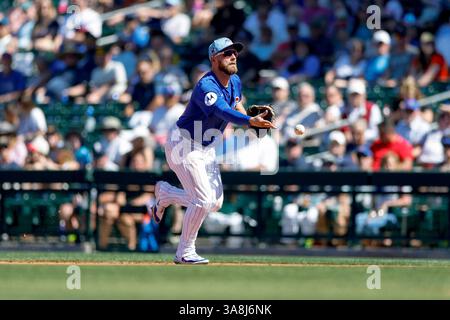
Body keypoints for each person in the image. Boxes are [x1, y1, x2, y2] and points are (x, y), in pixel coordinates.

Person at [147, 37, 275, 264]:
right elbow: (223, 111)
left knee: (214, 203)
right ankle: (184, 252)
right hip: (183, 145)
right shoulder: (206, 86)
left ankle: (166, 193)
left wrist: (250, 119)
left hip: (206, 147)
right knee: (203, 201)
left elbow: (236, 105)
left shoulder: (235, 81)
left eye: (235, 52)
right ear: (214, 59)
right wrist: (249, 121)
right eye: (227, 53)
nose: (233, 56)